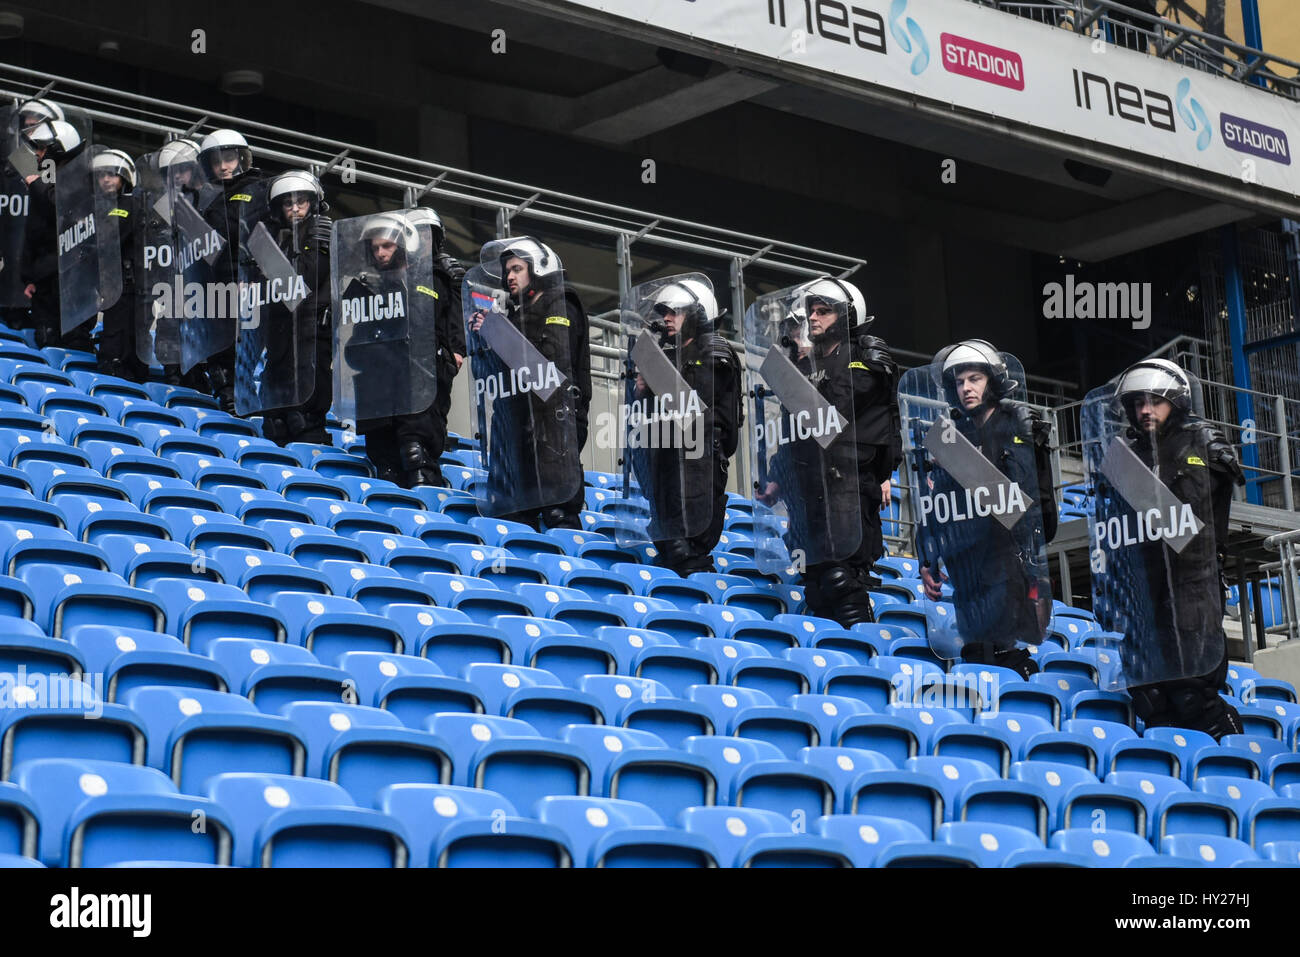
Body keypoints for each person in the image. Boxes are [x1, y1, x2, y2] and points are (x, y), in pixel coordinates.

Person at [1097, 358, 1244, 739]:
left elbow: (1195, 520)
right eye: (1138, 402)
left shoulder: (1203, 444)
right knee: (1150, 697)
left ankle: (1232, 760)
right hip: (1141, 589)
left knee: (1193, 694)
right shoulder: (1123, 456)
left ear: (1176, 402)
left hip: (1191, 585)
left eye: (1155, 401)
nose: (1145, 410)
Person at [756, 277, 900, 627]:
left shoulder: (865, 355)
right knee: (817, 584)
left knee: (842, 579)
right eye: (812, 312)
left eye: (824, 312)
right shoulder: (807, 368)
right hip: (808, 487)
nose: (814, 319)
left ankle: (863, 648)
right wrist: (776, 478)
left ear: (846, 316)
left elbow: (842, 406)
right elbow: (795, 431)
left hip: (848, 483)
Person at [915, 340, 1056, 678]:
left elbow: (1043, 504)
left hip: (1007, 560)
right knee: (975, 654)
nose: (966, 388)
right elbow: (935, 506)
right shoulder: (950, 436)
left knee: (1005, 656)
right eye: (959, 382)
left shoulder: (1019, 425)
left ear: (992, 381)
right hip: (965, 566)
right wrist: (927, 558)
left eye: (974, 379)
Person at [467, 236, 591, 530]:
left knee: (558, 514)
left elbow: (550, 366)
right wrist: (484, 340)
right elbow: (491, 377)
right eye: (507, 271)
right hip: (515, 425)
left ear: (537, 269)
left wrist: (498, 333)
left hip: (553, 425)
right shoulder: (512, 316)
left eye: (517, 269)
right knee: (510, 514)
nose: (509, 276)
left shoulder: (561, 303)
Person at [628, 277, 741, 575]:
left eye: (674, 311)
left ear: (697, 314)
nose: (666, 318)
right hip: (663, 455)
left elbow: (698, 402)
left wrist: (656, 376)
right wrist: (640, 388)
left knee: (687, 547)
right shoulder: (667, 356)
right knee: (668, 541)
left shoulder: (715, 351)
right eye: (663, 311)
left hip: (697, 459)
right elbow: (643, 414)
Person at [339, 211, 445, 487]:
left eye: (387, 246)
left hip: (417, 386)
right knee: (385, 465)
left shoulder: (430, 280)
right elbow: (353, 340)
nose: (381, 253)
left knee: (416, 458)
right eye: (375, 248)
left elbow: (445, 330)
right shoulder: (363, 287)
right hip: (377, 392)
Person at [257, 170, 333, 446]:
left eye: (301, 202)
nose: (295, 208)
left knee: (307, 416)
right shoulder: (271, 239)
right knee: (275, 418)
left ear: (313, 203)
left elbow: (309, 278)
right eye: (288, 203)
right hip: (279, 331)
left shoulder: (322, 234)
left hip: (311, 330)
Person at [197, 129, 267, 412]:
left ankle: (244, 395)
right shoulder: (208, 198)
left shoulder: (260, 190)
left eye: (228, 158)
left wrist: (253, 278)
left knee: (246, 345)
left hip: (248, 283)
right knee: (218, 343)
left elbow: (266, 239)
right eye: (216, 162)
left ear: (241, 159)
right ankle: (226, 393)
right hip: (213, 283)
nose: (223, 166)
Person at [405, 206, 464, 485]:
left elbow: (457, 317)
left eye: (430, 235)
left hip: (436, 363)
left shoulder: (448, 275)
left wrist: (456, 352)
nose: (423, 240)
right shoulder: (396, 271)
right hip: (403, 364)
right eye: (418, 234)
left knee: (433, 422)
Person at [19, 118, 86, 351]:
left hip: (72, 278)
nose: (37, 154)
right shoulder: (42, 181)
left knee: (75, 343)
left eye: (42, 147)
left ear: (59, 148)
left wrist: (36, 183)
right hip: (43, 277)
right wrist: (28, 275)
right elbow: (33, 230)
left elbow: (58, 205)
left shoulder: (79, 178)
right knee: (46, 340)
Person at [92, 148, 145, 380]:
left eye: (112, 174)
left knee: (128, 343)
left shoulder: (132, 205)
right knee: (113, 341)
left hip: (131, 284)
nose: (106, 179)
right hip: (107, 284)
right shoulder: (92, 207)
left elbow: (110, 238)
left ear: (125, 177)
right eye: (102, 174)